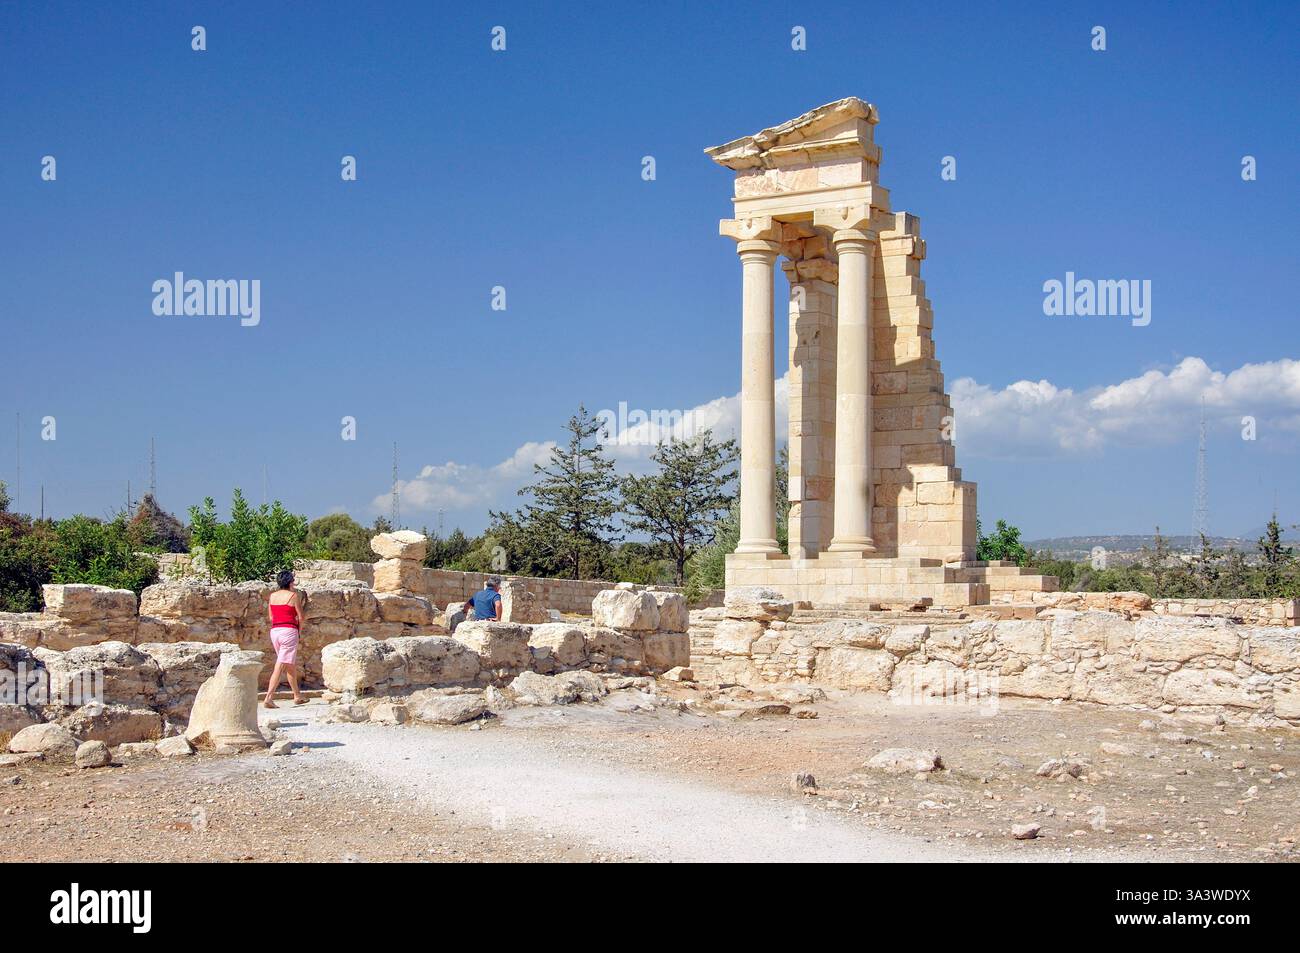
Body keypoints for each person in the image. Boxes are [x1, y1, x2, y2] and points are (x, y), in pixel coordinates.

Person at [264, 570, 305, 708]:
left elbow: (271, 617)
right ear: (290, 582)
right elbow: (301, 617)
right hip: (289, 631)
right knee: (281, 664)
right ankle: (269, 697)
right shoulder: (293, 596)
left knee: (289, 664)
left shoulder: (272, 596)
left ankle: (297, 695)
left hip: (275, 631)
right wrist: (298, 631)